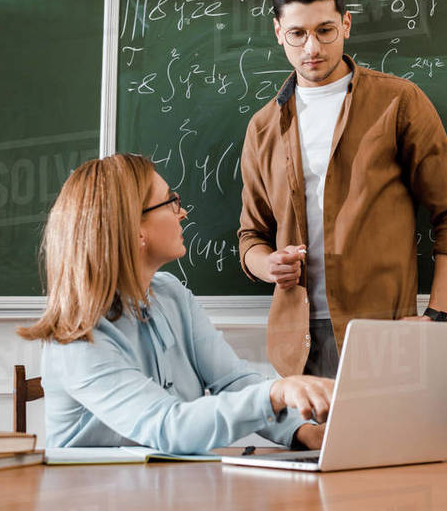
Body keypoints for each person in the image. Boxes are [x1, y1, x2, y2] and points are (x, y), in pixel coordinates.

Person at [238, 0, 447, 378]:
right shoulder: (263, 127)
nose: (312, 47)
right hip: (297, 342)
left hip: (385, 332)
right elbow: (251, 238)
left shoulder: (398, 102)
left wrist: (439, 317)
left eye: (325, 30)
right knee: (308, 444)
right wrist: (268, 265)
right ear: (279, 33)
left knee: (393, 445)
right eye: (297, 34)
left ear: (346, 24)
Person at [18, 154, 332, 454]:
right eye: (170, 202)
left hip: (171, 485)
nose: (182, 212)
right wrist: (274, 393)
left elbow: (232, 380)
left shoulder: (170, 294)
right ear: (136, 229)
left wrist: (304, 431)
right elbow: (168, 426)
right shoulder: (76, 338)